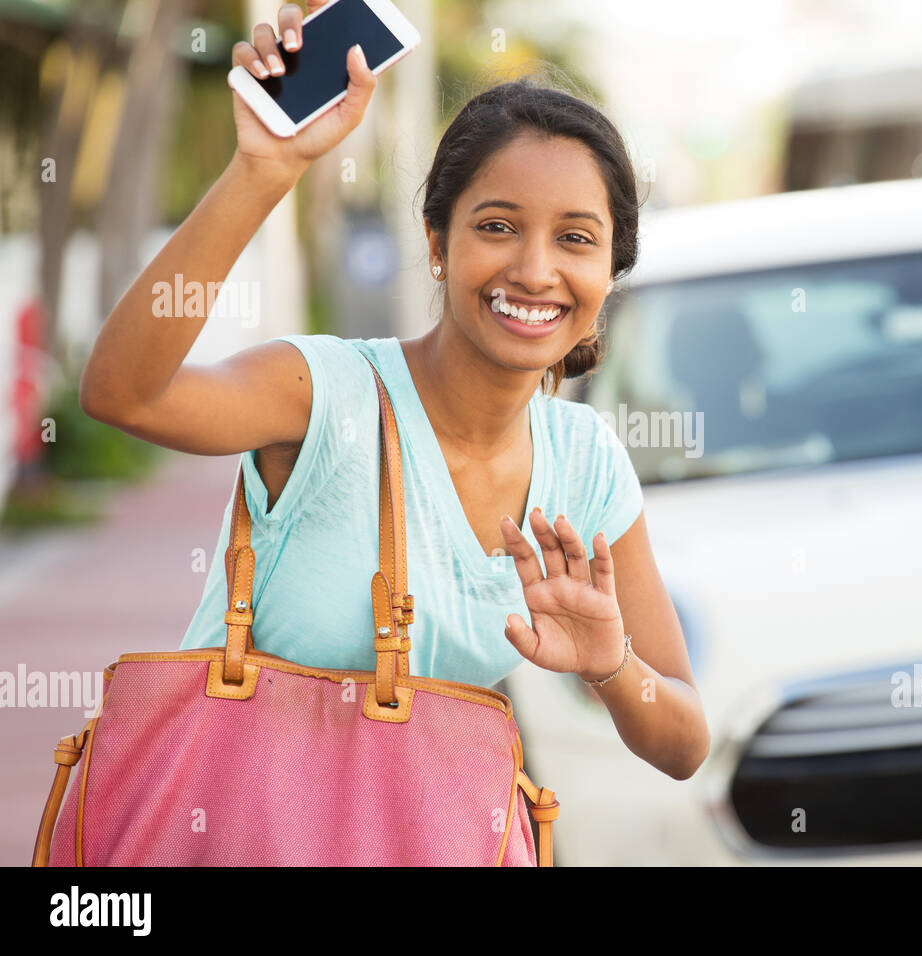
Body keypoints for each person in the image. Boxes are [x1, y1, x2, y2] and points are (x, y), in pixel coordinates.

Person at [78, 1, 708, 782]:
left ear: (609, 272)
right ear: (438, 244)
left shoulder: (587, 464)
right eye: (499, 226)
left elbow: (684, 744)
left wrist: (612, 663)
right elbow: (122, 394)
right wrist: (261, 172)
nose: (536, 270)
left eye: (575, 238)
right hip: (230, 829)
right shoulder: (325, 393)